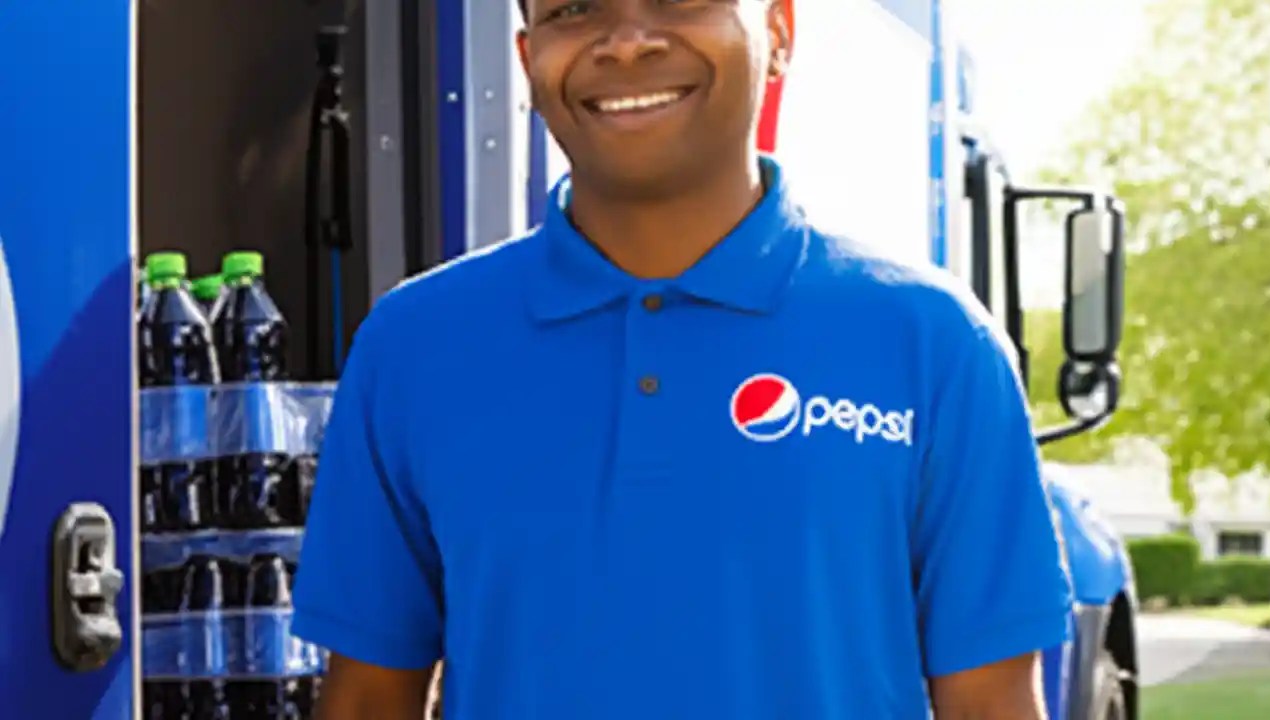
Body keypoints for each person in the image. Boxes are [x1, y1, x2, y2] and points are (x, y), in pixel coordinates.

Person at [291, 1, 1072, 718]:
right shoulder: (414, 348)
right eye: (573, 9)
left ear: (779, 32)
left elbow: (991, 705)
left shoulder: (932, 344)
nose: (627, 42)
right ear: (528, 59)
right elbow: (366, 699)